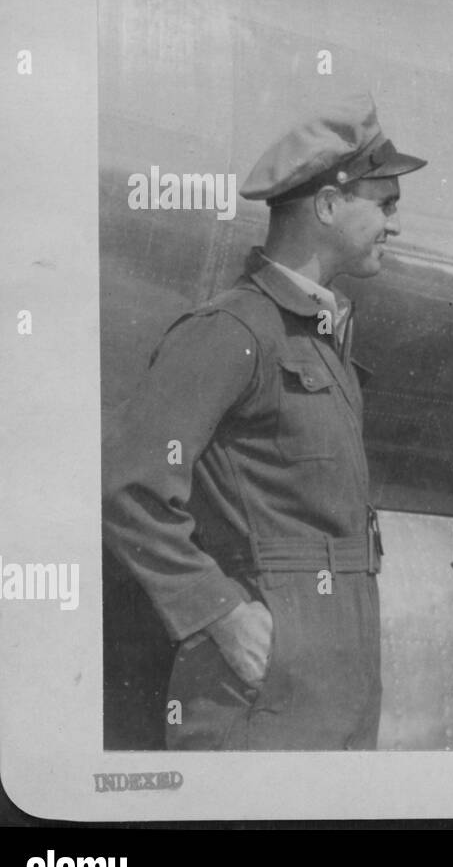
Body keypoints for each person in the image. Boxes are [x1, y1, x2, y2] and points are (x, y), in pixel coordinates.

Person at [103, 93, 425, 750]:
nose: (396, 224)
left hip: (340, 686)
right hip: (260, 696)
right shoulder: (230, 331)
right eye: (386, 203)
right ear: (330, 206)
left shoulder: (317, 335)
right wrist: (218, 612)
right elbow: (127, 485)